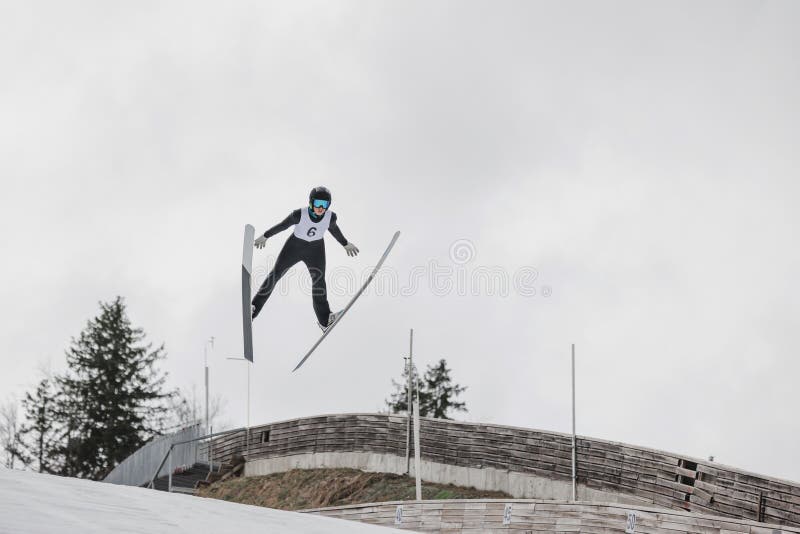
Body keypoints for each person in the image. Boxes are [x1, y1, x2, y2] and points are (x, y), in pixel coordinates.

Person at [251, 186, 359, 331]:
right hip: (294, 247)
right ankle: (253, 309)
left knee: (319, 281)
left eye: (325, 204)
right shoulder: (298, 214)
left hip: (316, 250)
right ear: (311, 202)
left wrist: (345, 243)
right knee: (275, 275)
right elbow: (282, 226)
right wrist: (265, 236)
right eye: (318, 203)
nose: (321, 208)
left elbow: (334, 230)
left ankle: (325, 320)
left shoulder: (330, 217)